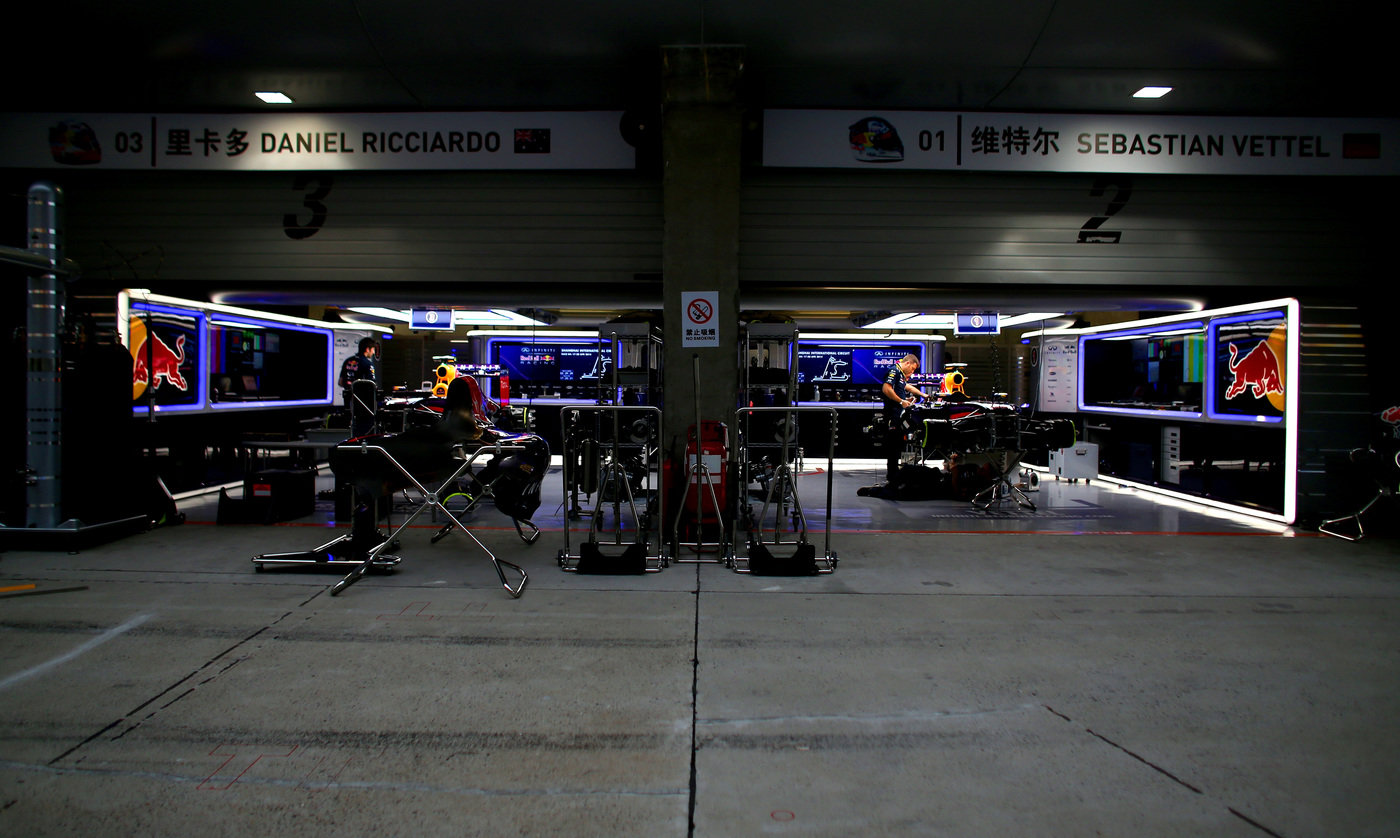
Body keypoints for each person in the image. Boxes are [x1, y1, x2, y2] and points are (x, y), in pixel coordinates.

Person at [881, 354, 929, 484]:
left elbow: (906, 386)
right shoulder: (894, 371)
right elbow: (886, 389)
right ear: (907, 363)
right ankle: (892, 476)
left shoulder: (900, 374)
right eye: (912, 369)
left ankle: (895, 474)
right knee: (893, 446)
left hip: (898, 415)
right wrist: (901, 400)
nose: (912, 372)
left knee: (897, 445)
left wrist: (922, 394)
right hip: (892, 414)